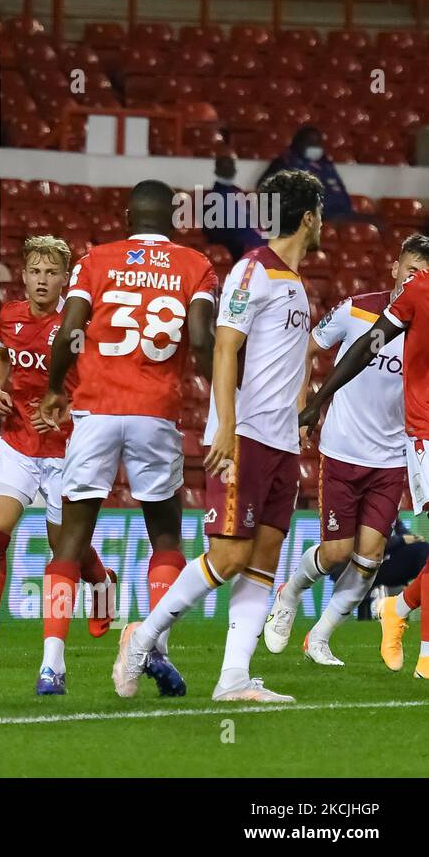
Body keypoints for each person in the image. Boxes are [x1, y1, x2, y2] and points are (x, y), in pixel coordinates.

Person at [117, 170, 324, 703]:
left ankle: (233, 679)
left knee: (262, 560)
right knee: (228, 558)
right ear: (308, 218)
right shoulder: (252, 270)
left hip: (280, 445)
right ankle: (140, 640)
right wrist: (227, 428)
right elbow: (226, 347)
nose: (324, 224)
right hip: (246, 437)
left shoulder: (296, 285)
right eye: (320, 214)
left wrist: (300, 419)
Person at [37, 180, 217, 696]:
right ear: (174, 220)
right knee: (164, 537)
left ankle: (52, 666)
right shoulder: (195, 265)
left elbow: (70, 328)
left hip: (94, 409)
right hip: (155, 412)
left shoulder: (96, 259)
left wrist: (55, 390)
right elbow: (202, 340)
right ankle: (154, 646)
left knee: (71, 540)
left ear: (126, 217)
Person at [263, 235, 429, 665]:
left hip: (393, 457)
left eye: (423, 273)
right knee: (337, 552)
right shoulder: (355, 310)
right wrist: (306, 407)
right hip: (343, 449)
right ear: (394, 268)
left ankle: (319, 637)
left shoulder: (423, 321)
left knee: (370, 556)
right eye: (410, 269)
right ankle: (291, 592)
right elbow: (307, 350)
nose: (415, 278)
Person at [0, 236, 114, 660]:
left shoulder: (79, 326)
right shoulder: (9, 317)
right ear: (23, 276)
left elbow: (100, 384)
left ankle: (100, 582)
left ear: (65, 279)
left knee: (65, 547)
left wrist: (68, 411)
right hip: (19, 442)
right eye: (35, 272)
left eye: (51, 273)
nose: (42, 281)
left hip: (68, 450)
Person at [260, 125, 352, 219]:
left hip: (339, 216)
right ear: (299, 142)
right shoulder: (284, 162)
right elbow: (266, 189)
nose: (315, 146)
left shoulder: (326, 164)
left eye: (318, 142)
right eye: (311, 142)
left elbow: (340, 191)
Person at [201, 153, 262, 263]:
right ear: (217, 171)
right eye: (224, 167)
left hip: (249, 239)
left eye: (229, 167)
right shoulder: (211, 198)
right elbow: (213, 232)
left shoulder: (238, 193)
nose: (228, 170)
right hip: (234, 244)